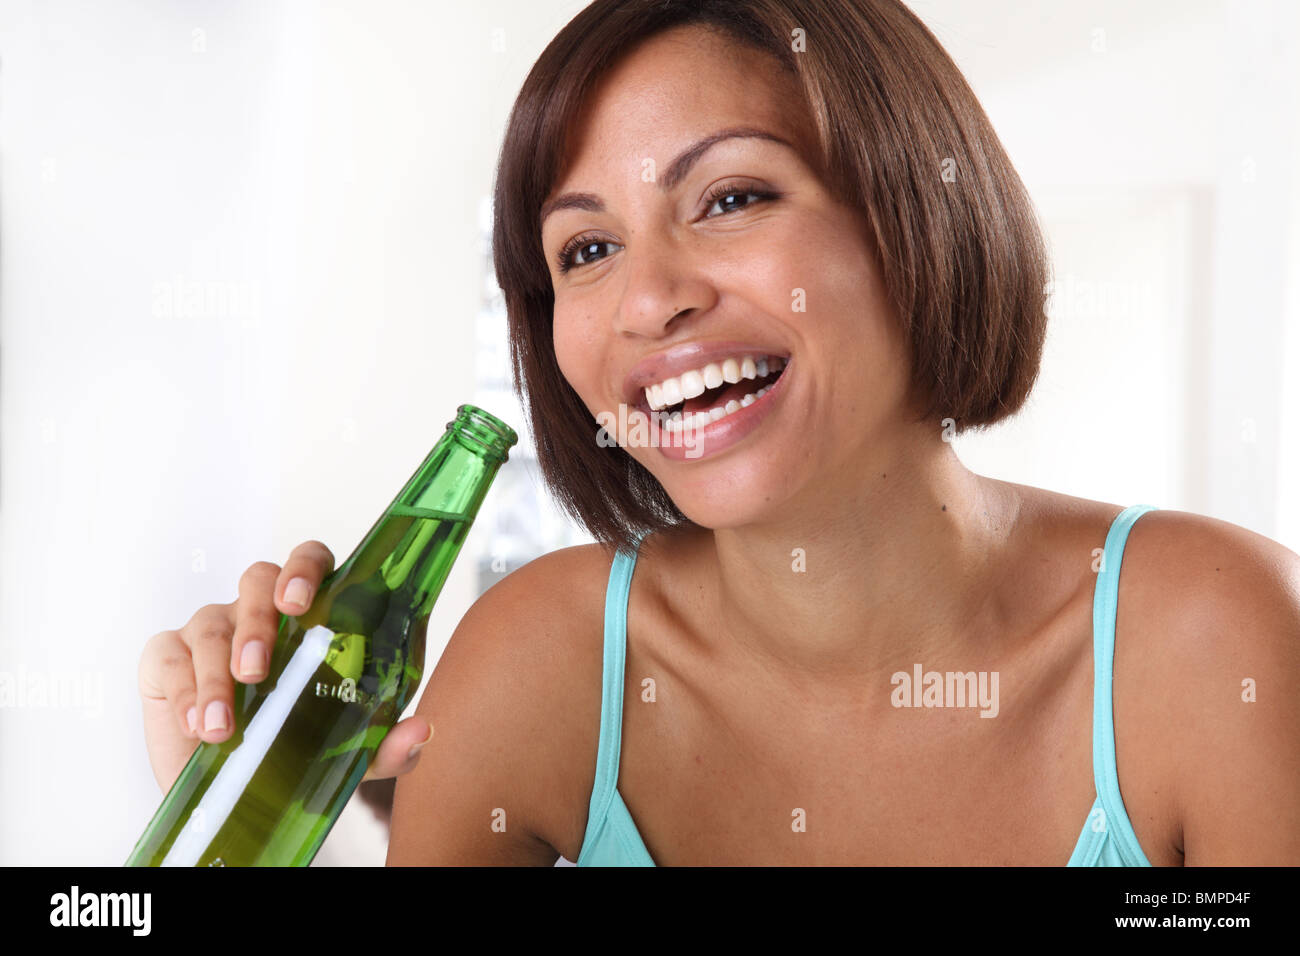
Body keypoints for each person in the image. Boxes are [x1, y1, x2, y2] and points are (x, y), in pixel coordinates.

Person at [138, 0, 1300, 865]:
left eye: (732, 197)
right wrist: (222, 822)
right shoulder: (539, 668)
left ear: (916, 213)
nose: (649, 300)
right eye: (585, 251)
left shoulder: (1214, 641)